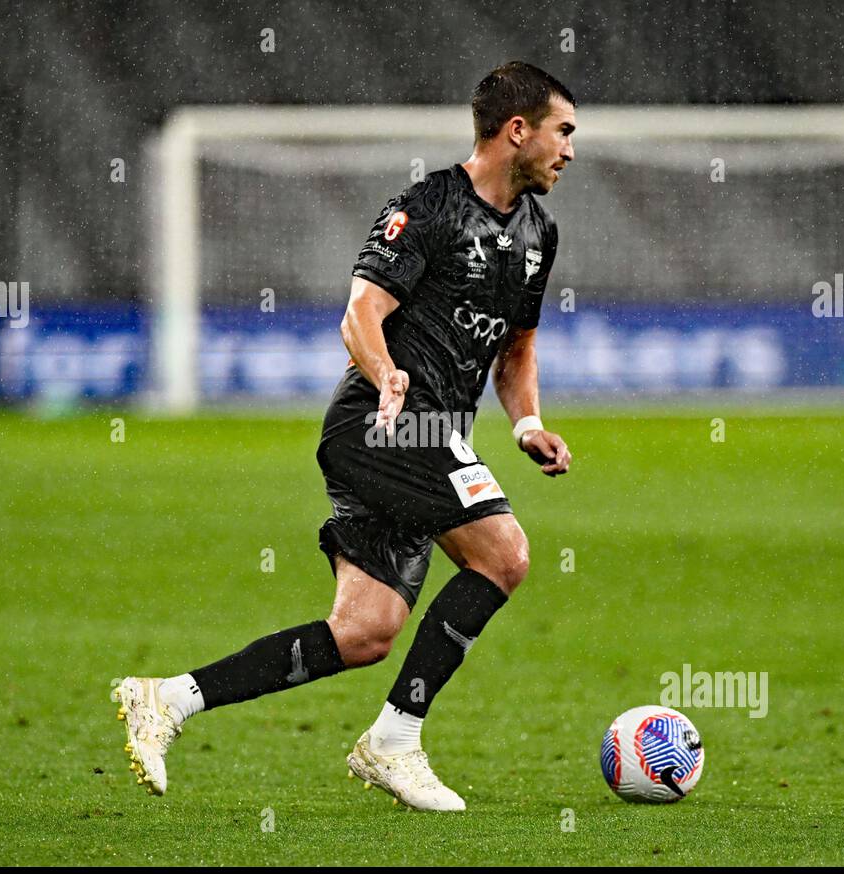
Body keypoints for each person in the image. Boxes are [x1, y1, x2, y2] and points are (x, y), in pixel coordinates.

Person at [114, 61, 576, 811]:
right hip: (382, 423)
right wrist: (387, 370)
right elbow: (359, 314)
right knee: (506, 554)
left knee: (365, 633)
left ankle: (165, 699)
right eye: (563, 131)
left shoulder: (537, 234)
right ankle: (394, 742)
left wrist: (527, 423)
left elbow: (516, 349)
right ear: (517, 129)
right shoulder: (427, 206)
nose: (570, 150)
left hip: (429, 434)